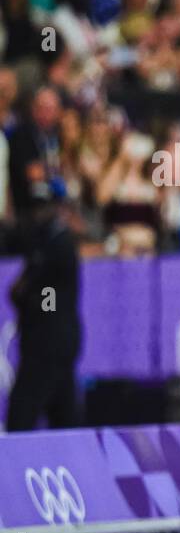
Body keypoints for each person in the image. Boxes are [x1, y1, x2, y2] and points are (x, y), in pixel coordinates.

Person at [6, 182, 81, 431]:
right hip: (50, 341)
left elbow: (50, 297)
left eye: (43, 207)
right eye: (33, 207)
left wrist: (29, 297)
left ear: (56, 208)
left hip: (49, 342)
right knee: (63, 411)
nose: (37, 213)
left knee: (23, 411)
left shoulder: (58, 244)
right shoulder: (40, 240)